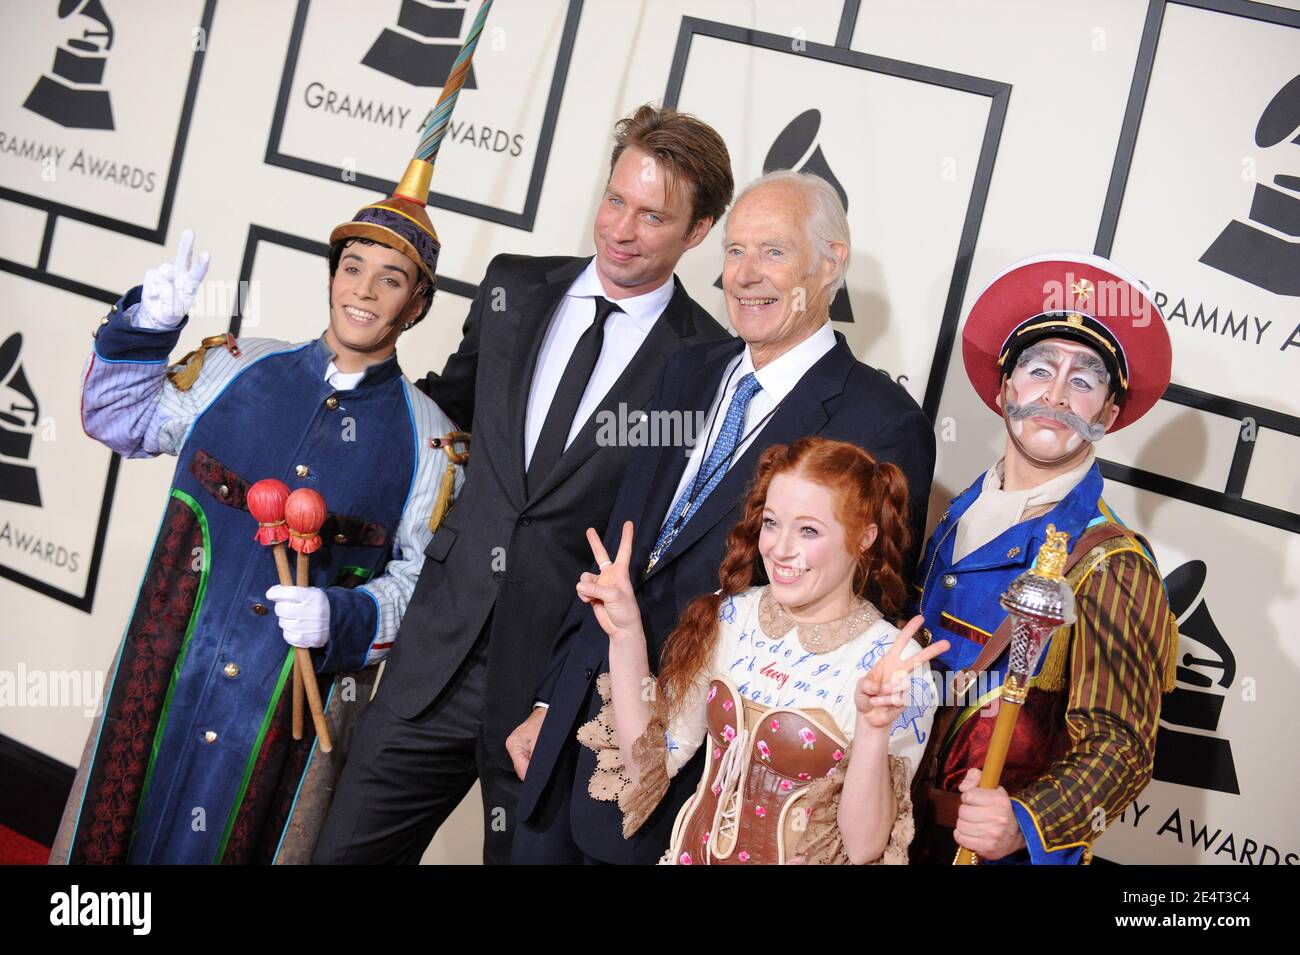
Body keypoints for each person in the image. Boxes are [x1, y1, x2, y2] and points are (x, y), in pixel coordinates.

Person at [313, 104, 736, 865]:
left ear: (698, 231)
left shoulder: (706, 362)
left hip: (558, 695)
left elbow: (670, 548)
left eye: (652, 215)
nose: (621, 229)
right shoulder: (513, 289)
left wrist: (571, 691)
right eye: (615, 199)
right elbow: (443, 418)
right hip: (434, 655)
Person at [511, 170, 937, 864]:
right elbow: (623, 546)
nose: (744, 275)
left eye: (772, 252)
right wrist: (548, 700)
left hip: (694, 790)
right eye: (734, 251)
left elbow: (859, 611)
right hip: (575, 734)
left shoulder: (882, 423)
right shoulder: (687, 370)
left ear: (830, 263)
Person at [51, 159, 464, 864]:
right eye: (352, 267)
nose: (363, 291)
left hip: (285, 727)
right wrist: (144, 330)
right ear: (332, 275)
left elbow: (424, 585)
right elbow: (119, 420)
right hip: (159, 683)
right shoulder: (234, 366)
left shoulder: (431, 443)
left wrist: (346, 617)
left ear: (417, 304)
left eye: (389, 279)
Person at [910, 252, 1180, 865]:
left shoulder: (1111, 562)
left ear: (1108, 414)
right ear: (1005, 386)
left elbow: (1121, 747)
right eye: (1038, 370)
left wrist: (1027, 823)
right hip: (889, 829)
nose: (1055, 395)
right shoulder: (953, 513)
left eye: (1083, 381)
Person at [573, 438, 947, 864]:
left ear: (863, 538)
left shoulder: (892, 663)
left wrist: (874, 729)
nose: (780, 548)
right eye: (772, 522)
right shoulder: (732, 615)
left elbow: (863, 849)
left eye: (808, 530)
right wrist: (625, 636)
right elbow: (650, 764)